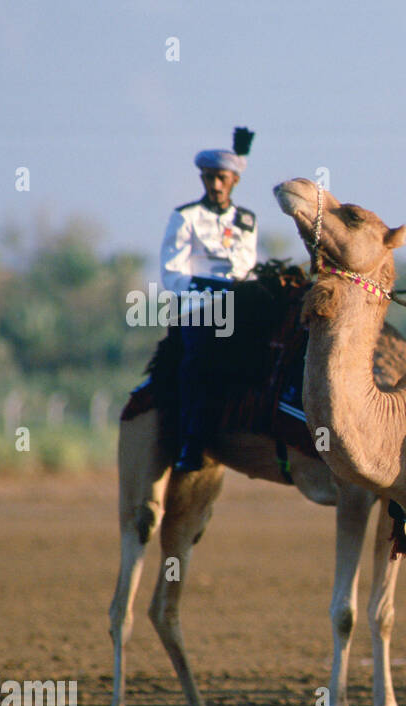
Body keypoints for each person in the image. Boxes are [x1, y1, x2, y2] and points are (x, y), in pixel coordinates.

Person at [160, 128, 257, 472]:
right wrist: (205, 297)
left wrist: (244, 291)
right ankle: (191, 442)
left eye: (221, 178)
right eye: (209, 178)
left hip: (239, 299)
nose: (214, 185)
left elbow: (246, 264)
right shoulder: (184, 216)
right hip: (198, 304)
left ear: (233, 181)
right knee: (198, 365)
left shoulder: (246, 220)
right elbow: (172, 271)